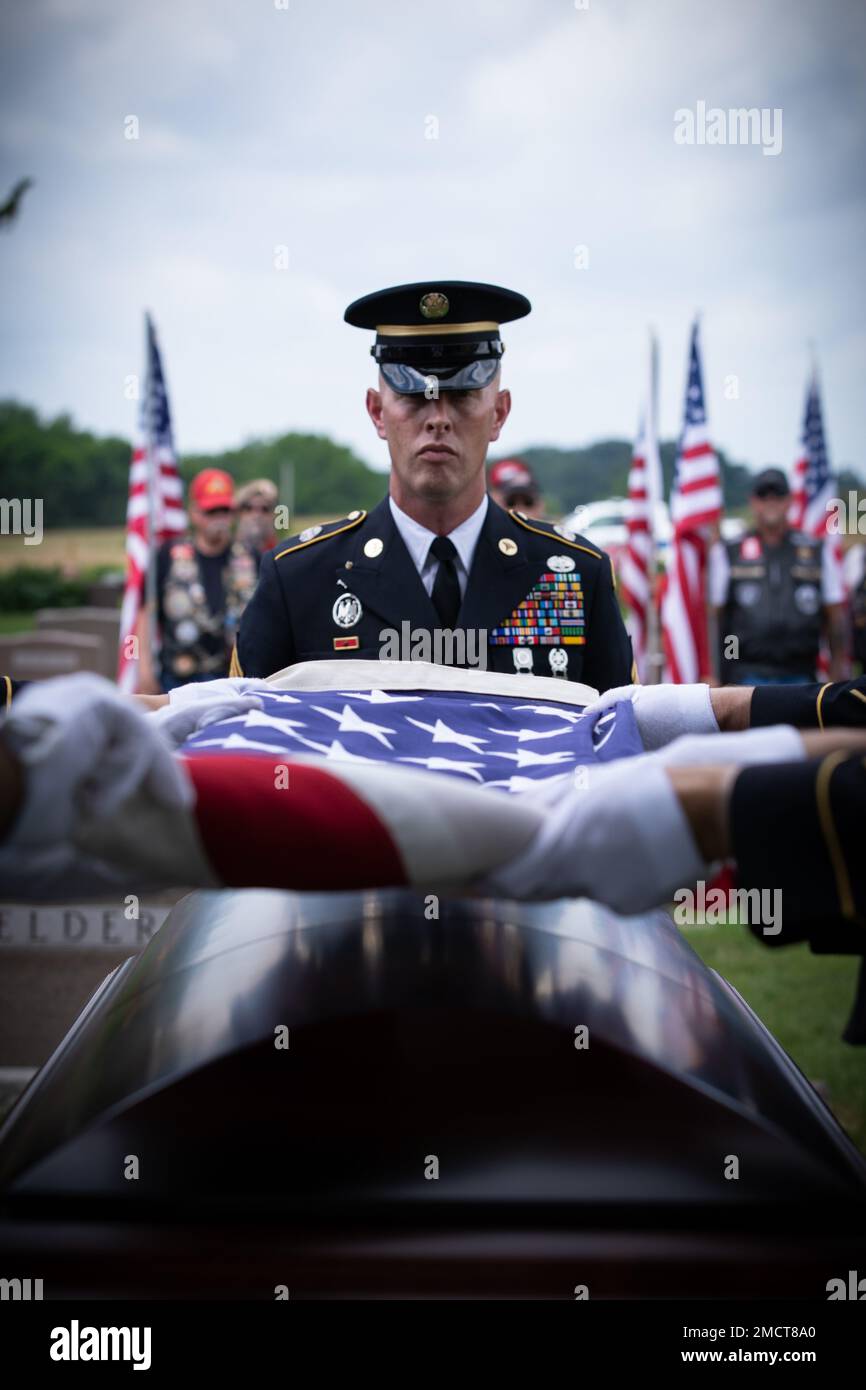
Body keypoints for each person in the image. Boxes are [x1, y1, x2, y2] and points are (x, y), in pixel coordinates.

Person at [234, 280, 634, 690]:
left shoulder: (573, 575)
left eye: (461, 396)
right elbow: (238, 736)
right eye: (414, 397)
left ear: (499, 413)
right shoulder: (300, 580)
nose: (438, 418)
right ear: (376, 412)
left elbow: (621, 738)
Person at [709, 466, 847, 685]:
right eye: (764, 495)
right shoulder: (730, 551)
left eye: (778, 494)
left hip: (803, 675)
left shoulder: (816, 551)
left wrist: (838, 670)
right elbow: (719, 619)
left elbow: (835, 615)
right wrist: (726, 672)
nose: (771, 501)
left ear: (789, 501)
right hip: (747, 675)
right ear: (753, 501)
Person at [137, 468, 260, 693]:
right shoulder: (168, 555)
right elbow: (145, 614)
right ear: (194, 513)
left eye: (224, 511)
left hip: (235, 680)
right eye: (211, 511)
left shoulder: (251, 557)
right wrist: (143, 669)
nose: (219, 518)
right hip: (178, 678)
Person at [236, 478, 279, 554]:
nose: (257, 515)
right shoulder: (225, 553)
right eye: (249, 508)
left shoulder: (280, 555)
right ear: (239, 513)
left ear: (273, 514)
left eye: (264, 509)